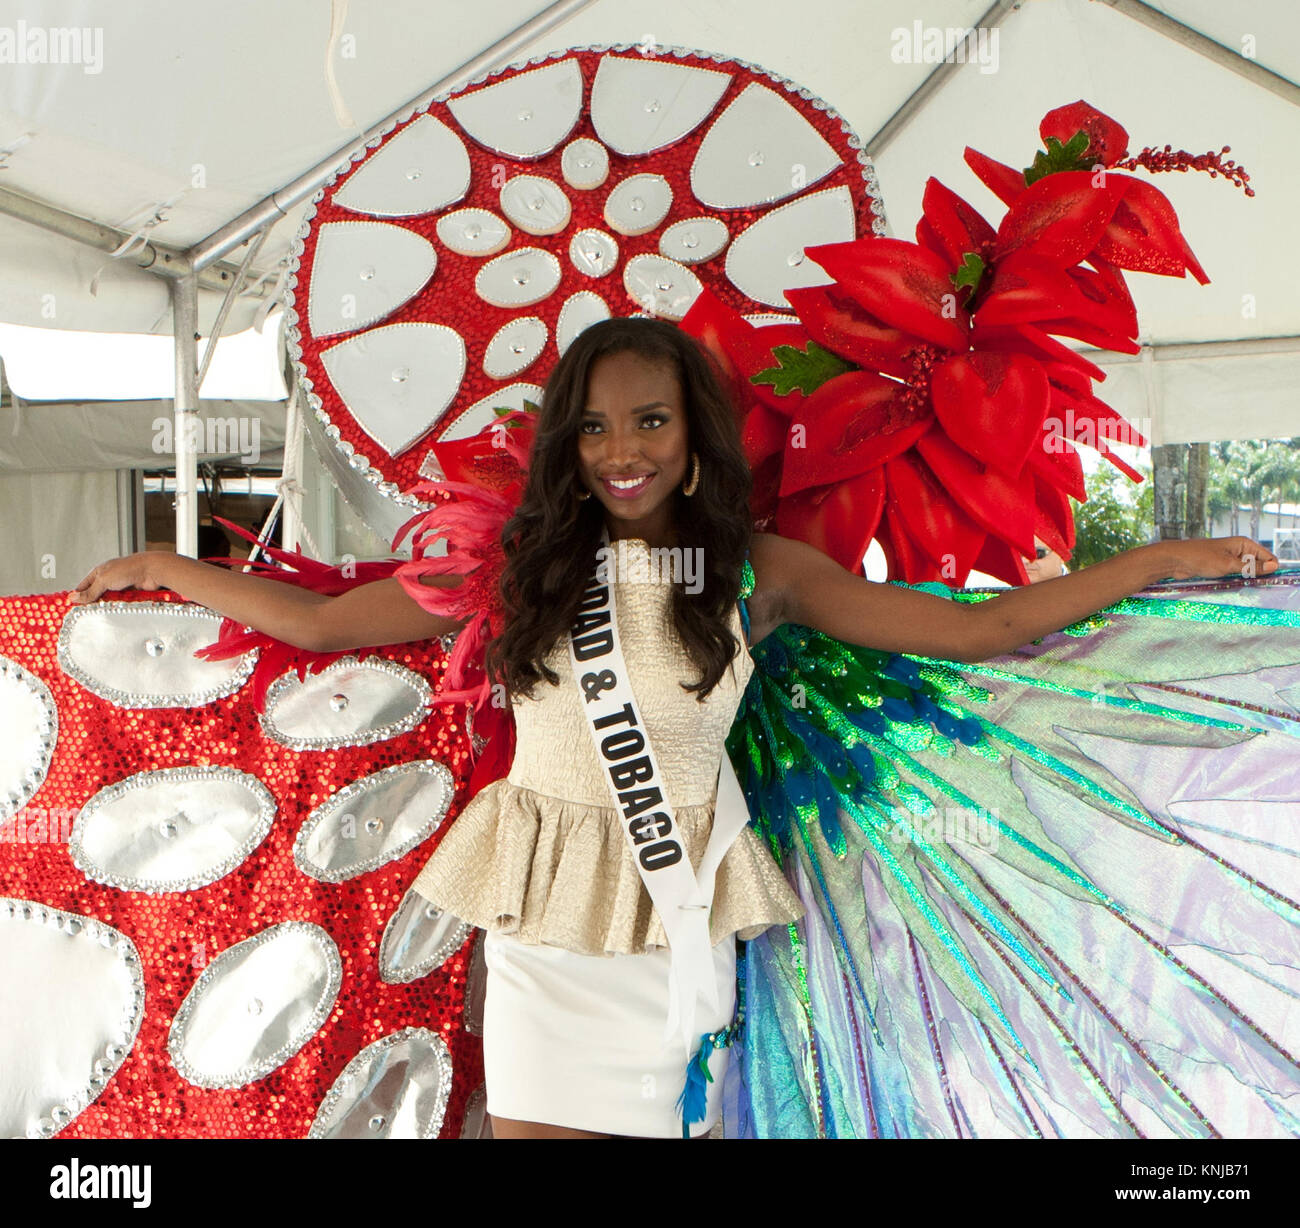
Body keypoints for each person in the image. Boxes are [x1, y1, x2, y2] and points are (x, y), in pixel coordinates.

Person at [70, 317, 1279, 1139]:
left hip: (670, 938)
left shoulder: (760, 570)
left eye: (647, 421)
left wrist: (1157, 558)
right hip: (544, 936)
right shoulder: (522, 568)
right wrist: (176, 570)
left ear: (693, 432)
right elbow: (322, 624)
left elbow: (983, 627)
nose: (621, 451)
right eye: (593, 430)